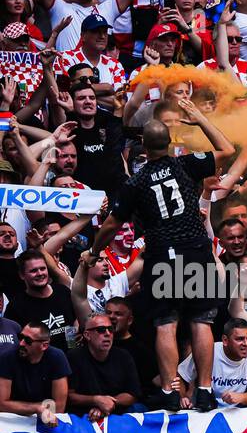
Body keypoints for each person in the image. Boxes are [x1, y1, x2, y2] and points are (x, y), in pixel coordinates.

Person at [90, 108, 236, 413]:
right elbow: (227, 149)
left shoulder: (137, 182)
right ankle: (206, 390)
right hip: (196, 249)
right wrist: (200, 119)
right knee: (201, 321)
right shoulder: (185, 165)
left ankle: (171, 391)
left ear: (143, 145)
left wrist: (93, 251)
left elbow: (111, 225)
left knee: (166, 323)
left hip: (162, 254)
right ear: (169, 142)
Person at [178, 318, 247, 408]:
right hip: (204, 409)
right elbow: (180, 375)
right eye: (240, 339)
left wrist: (241, 397)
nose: (246, 343)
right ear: (225, 340)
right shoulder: (208, 351)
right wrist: (183, 397)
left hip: (236, 413)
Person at [67, 312, 141, 419]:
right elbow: (69, 396)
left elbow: (132, 394)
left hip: (118, 411)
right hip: (85, 414)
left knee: (138, 408)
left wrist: (107, 403)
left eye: (110, 329)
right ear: (87, 335)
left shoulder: (123, 356)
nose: (107, 333)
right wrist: (96, 400)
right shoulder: (74, 357)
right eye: (101, 330)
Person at [0, 321, 68, 421]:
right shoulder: (8, 357)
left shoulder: (57, 357)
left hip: (48, 418)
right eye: (20, 337)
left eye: (28, 341)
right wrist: (36, 408)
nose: (21, 343)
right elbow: (2, 404)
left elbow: (59, 407)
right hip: (15, 418)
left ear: (44, 346)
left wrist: (40, 410)